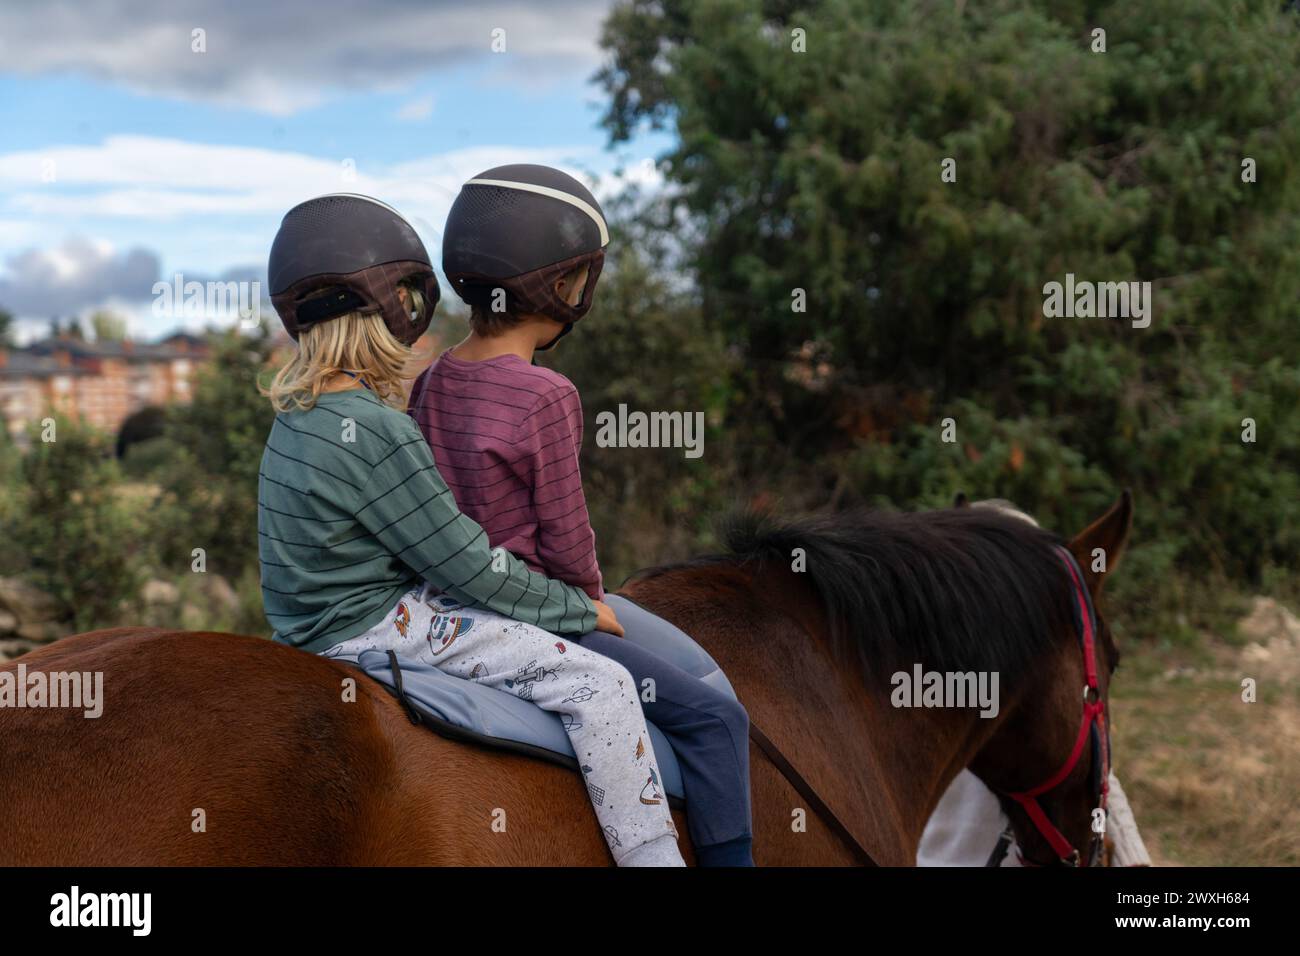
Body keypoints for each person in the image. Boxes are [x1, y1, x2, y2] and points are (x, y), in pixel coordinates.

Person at [258, 192, 685, 867]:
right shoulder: (377, 428)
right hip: (380, 628)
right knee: (600, 687)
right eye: (404, 293)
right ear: (388, 307)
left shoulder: (296, 417)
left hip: (304, 631)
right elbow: (467, 567)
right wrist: (577, 607)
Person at [409, 164, 755, 867]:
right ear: (565, 284)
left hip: (440, 608)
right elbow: (567, 543)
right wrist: (592, 600)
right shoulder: (545, 393)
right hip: (531, 613)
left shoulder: (432, 378)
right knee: (718, 718)